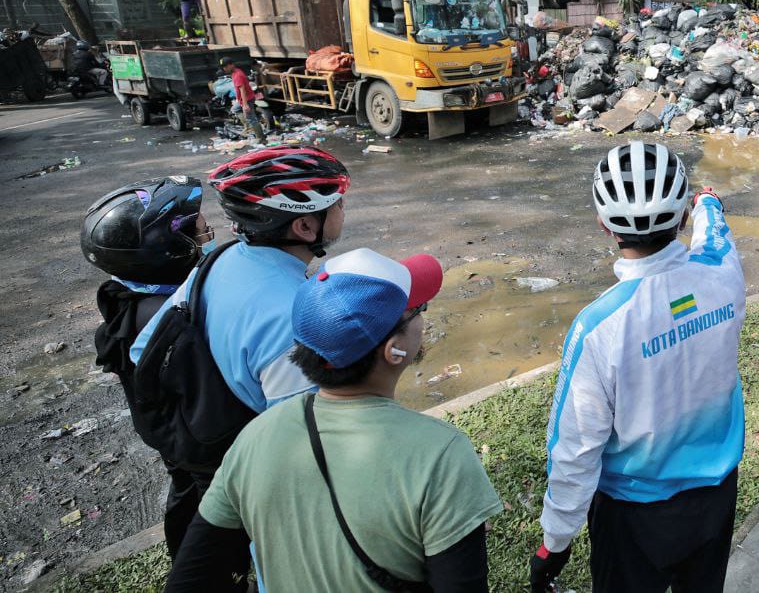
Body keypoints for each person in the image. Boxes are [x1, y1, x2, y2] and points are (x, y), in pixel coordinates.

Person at [164, 247, 503, 593]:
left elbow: (189, 578)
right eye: (417, 310)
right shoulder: (441, 456)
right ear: (394, 350)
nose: (422, 317)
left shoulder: (255, 437)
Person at [530, 141, 746, 593]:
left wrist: (556, 542)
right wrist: (708, 203)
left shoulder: (598, 327)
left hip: (633, 517)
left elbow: (576, 450)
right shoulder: (723, 275)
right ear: (682, 217)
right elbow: (715, 234)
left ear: (604, 225)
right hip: (716, 498)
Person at [128, 148, 351, 539]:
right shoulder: (296, 317)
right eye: (337, 204)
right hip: (243, 465)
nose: (343, 211)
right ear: (304, 227)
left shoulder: (221, 258)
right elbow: (302, 447)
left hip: (197, 437)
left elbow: (141, 348)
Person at [83, 176, 217, 556]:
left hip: (167, 432)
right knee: (211, 512)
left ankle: (186, 558)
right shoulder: (172, 319)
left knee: (185, 494)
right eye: (203, 234)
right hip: (195, 440)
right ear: (170, 251)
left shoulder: (130, 293)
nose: (209, 239)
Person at [219, 57, 267, 143]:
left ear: (231, 65)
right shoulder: (235, 72)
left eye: (225, 66)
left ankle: (261, 139)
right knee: (235, 109)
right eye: (223, 67)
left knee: (252, 119)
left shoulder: (238, 75)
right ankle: (248, 126)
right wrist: (239, 100)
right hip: (244, 99)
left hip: (247, 99)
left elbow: (242, 90)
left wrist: (245, 105)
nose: (224, 69)